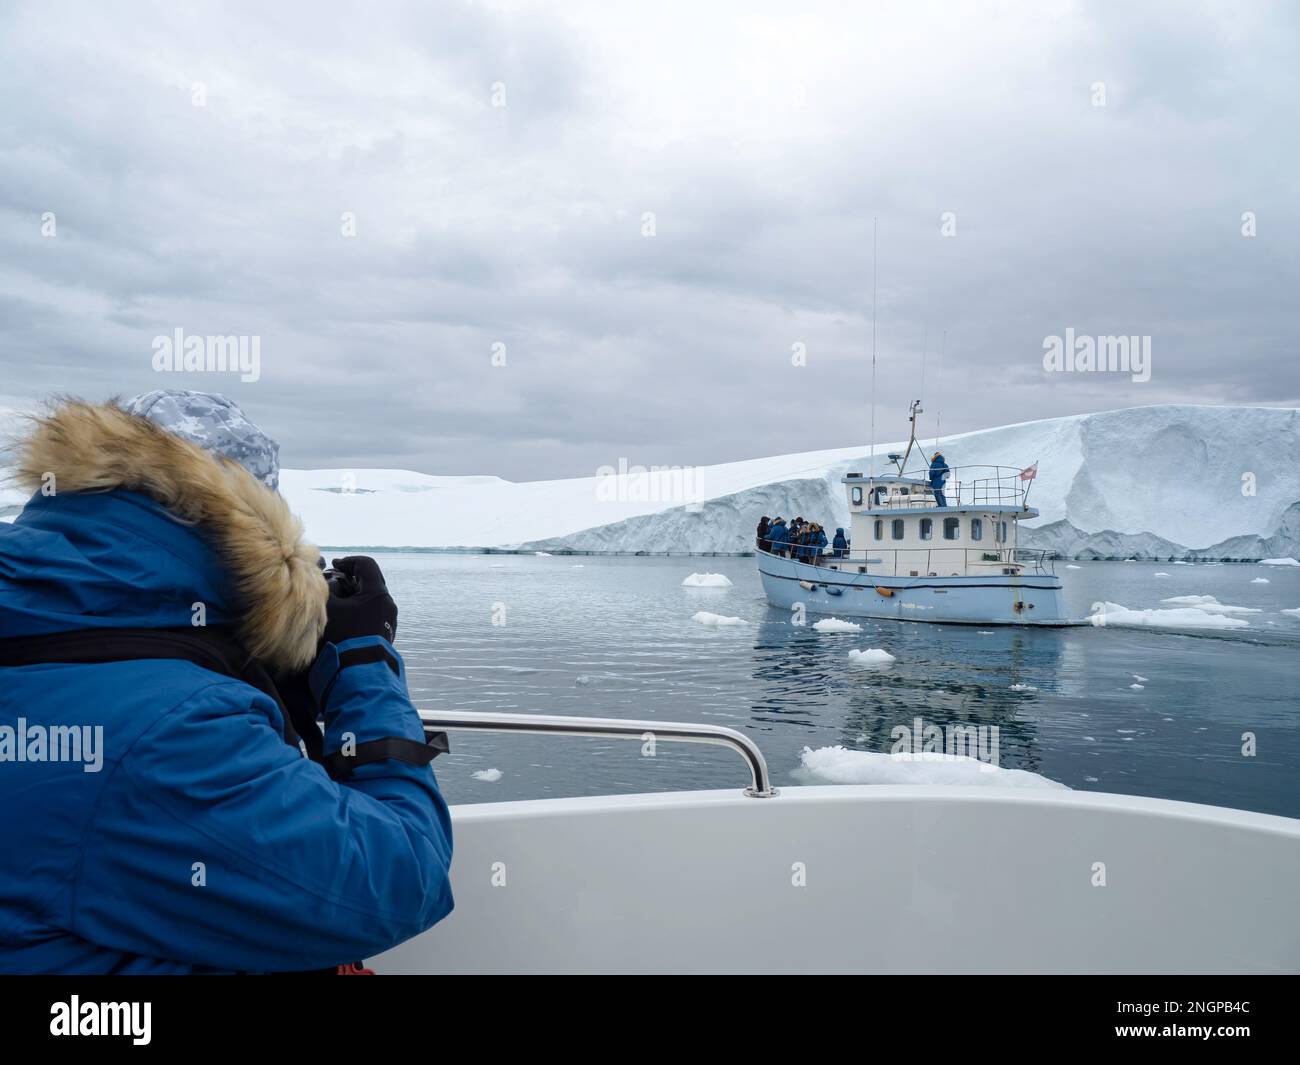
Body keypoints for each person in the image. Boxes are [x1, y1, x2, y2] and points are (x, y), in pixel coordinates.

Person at [0, 392, 454, 974]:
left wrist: (264, 676)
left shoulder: (42, 626)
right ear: (257, 528)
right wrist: (362, 662)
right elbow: (399, 878)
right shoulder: (175, 731)